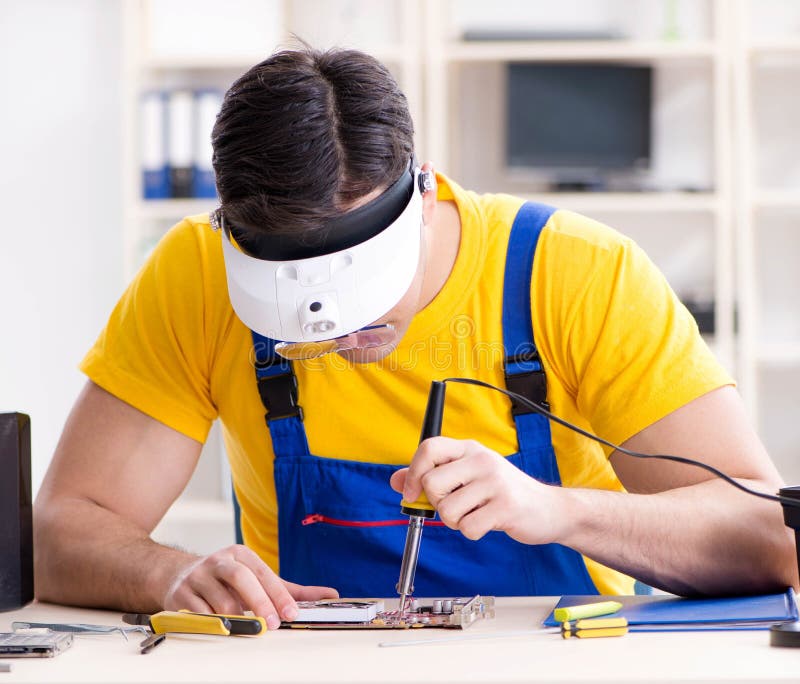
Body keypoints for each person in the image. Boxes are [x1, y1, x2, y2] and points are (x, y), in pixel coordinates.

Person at [34, 47, 797, 630]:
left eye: (368, 307)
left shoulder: (576, 275)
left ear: (424, 193)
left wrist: (561, 511)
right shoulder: (196, 275)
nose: (342, 342)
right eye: (300, 323)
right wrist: (166, 575)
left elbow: (772, 537)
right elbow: (62, 530)